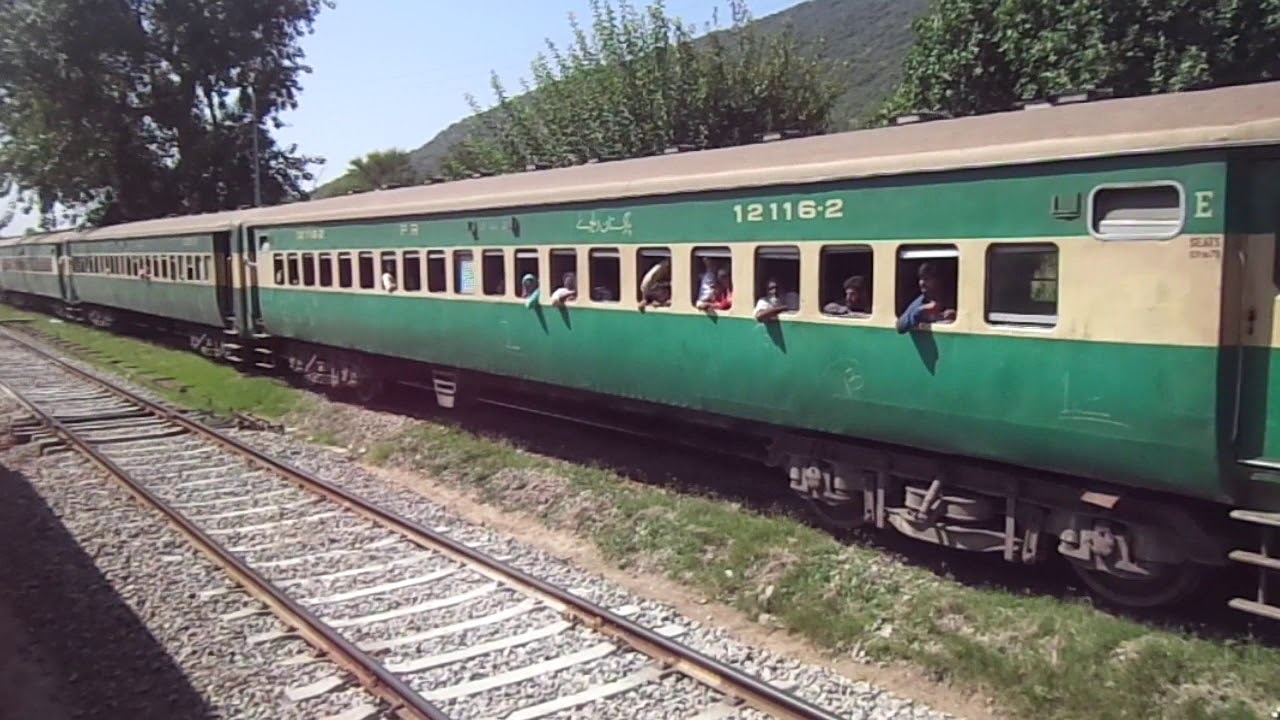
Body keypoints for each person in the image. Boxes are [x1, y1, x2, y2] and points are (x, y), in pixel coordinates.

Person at [896, 262, 955, 333]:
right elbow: (900, 326)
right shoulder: (922, 300)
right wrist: (921, 311)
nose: (922, 283)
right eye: (920, 279)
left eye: (926, 279)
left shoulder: (952, 298)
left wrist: (954, 316)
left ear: (938, 281)